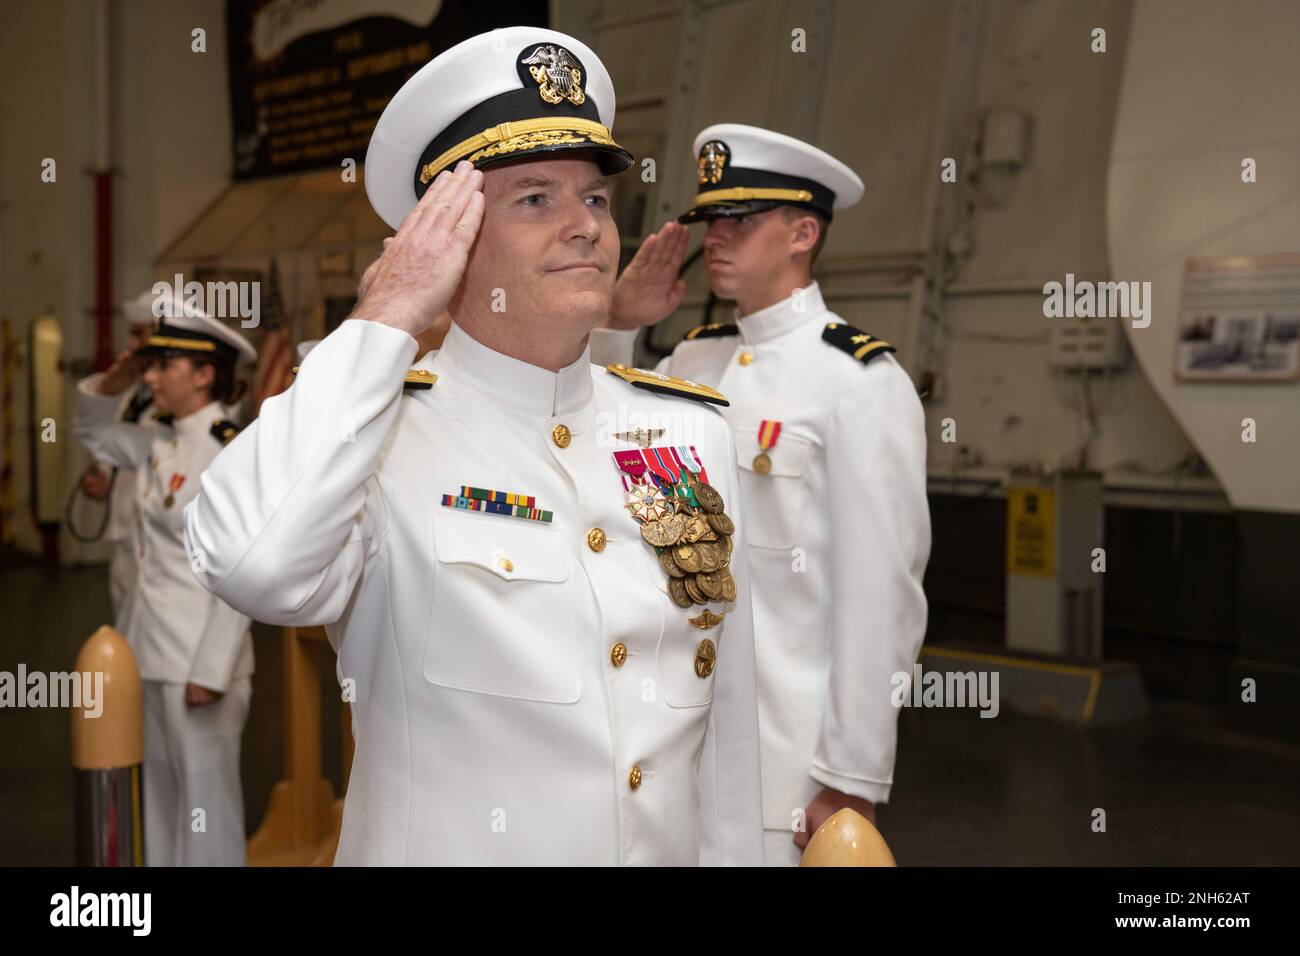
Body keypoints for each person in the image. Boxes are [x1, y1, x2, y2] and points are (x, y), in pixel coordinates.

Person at [183, 28, 763, 866]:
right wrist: (386, 317)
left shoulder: (689, 433)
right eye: (535, 199)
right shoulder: (380, 435)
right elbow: (252, 564)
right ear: (449, 242)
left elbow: (728, 728)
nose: (585, 227)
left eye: (594, 199)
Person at [605, 124, 931, 865]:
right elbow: (601, 467)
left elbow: (880, 597)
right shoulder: (691, 360)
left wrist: (848, 777)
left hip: (782, 767)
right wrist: (619, 323)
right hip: (667, 742)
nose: (716, 237)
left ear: (803, 233)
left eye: (741, 222)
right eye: (712, 222)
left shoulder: (859, 381)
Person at [73, 297, 257, 866]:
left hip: (200, 660)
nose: (150, 377)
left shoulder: (231, 448)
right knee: (158, 797)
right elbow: (94, 434)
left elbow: (240, 568)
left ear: (205, 374)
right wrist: (115, 380)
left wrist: (211, 668)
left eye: (163, 366)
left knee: (206, 804)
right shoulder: (159, 438)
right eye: (150, 366)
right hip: (147, 650)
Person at [76, 291, 158, 617]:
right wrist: (101, 477)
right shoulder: (133, 392)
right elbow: (105, 440)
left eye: (141, 334)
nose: (133, 344)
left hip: (157, 546)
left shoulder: (191, 407)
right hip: (125, 536)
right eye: (132, 334)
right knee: (127, 650)